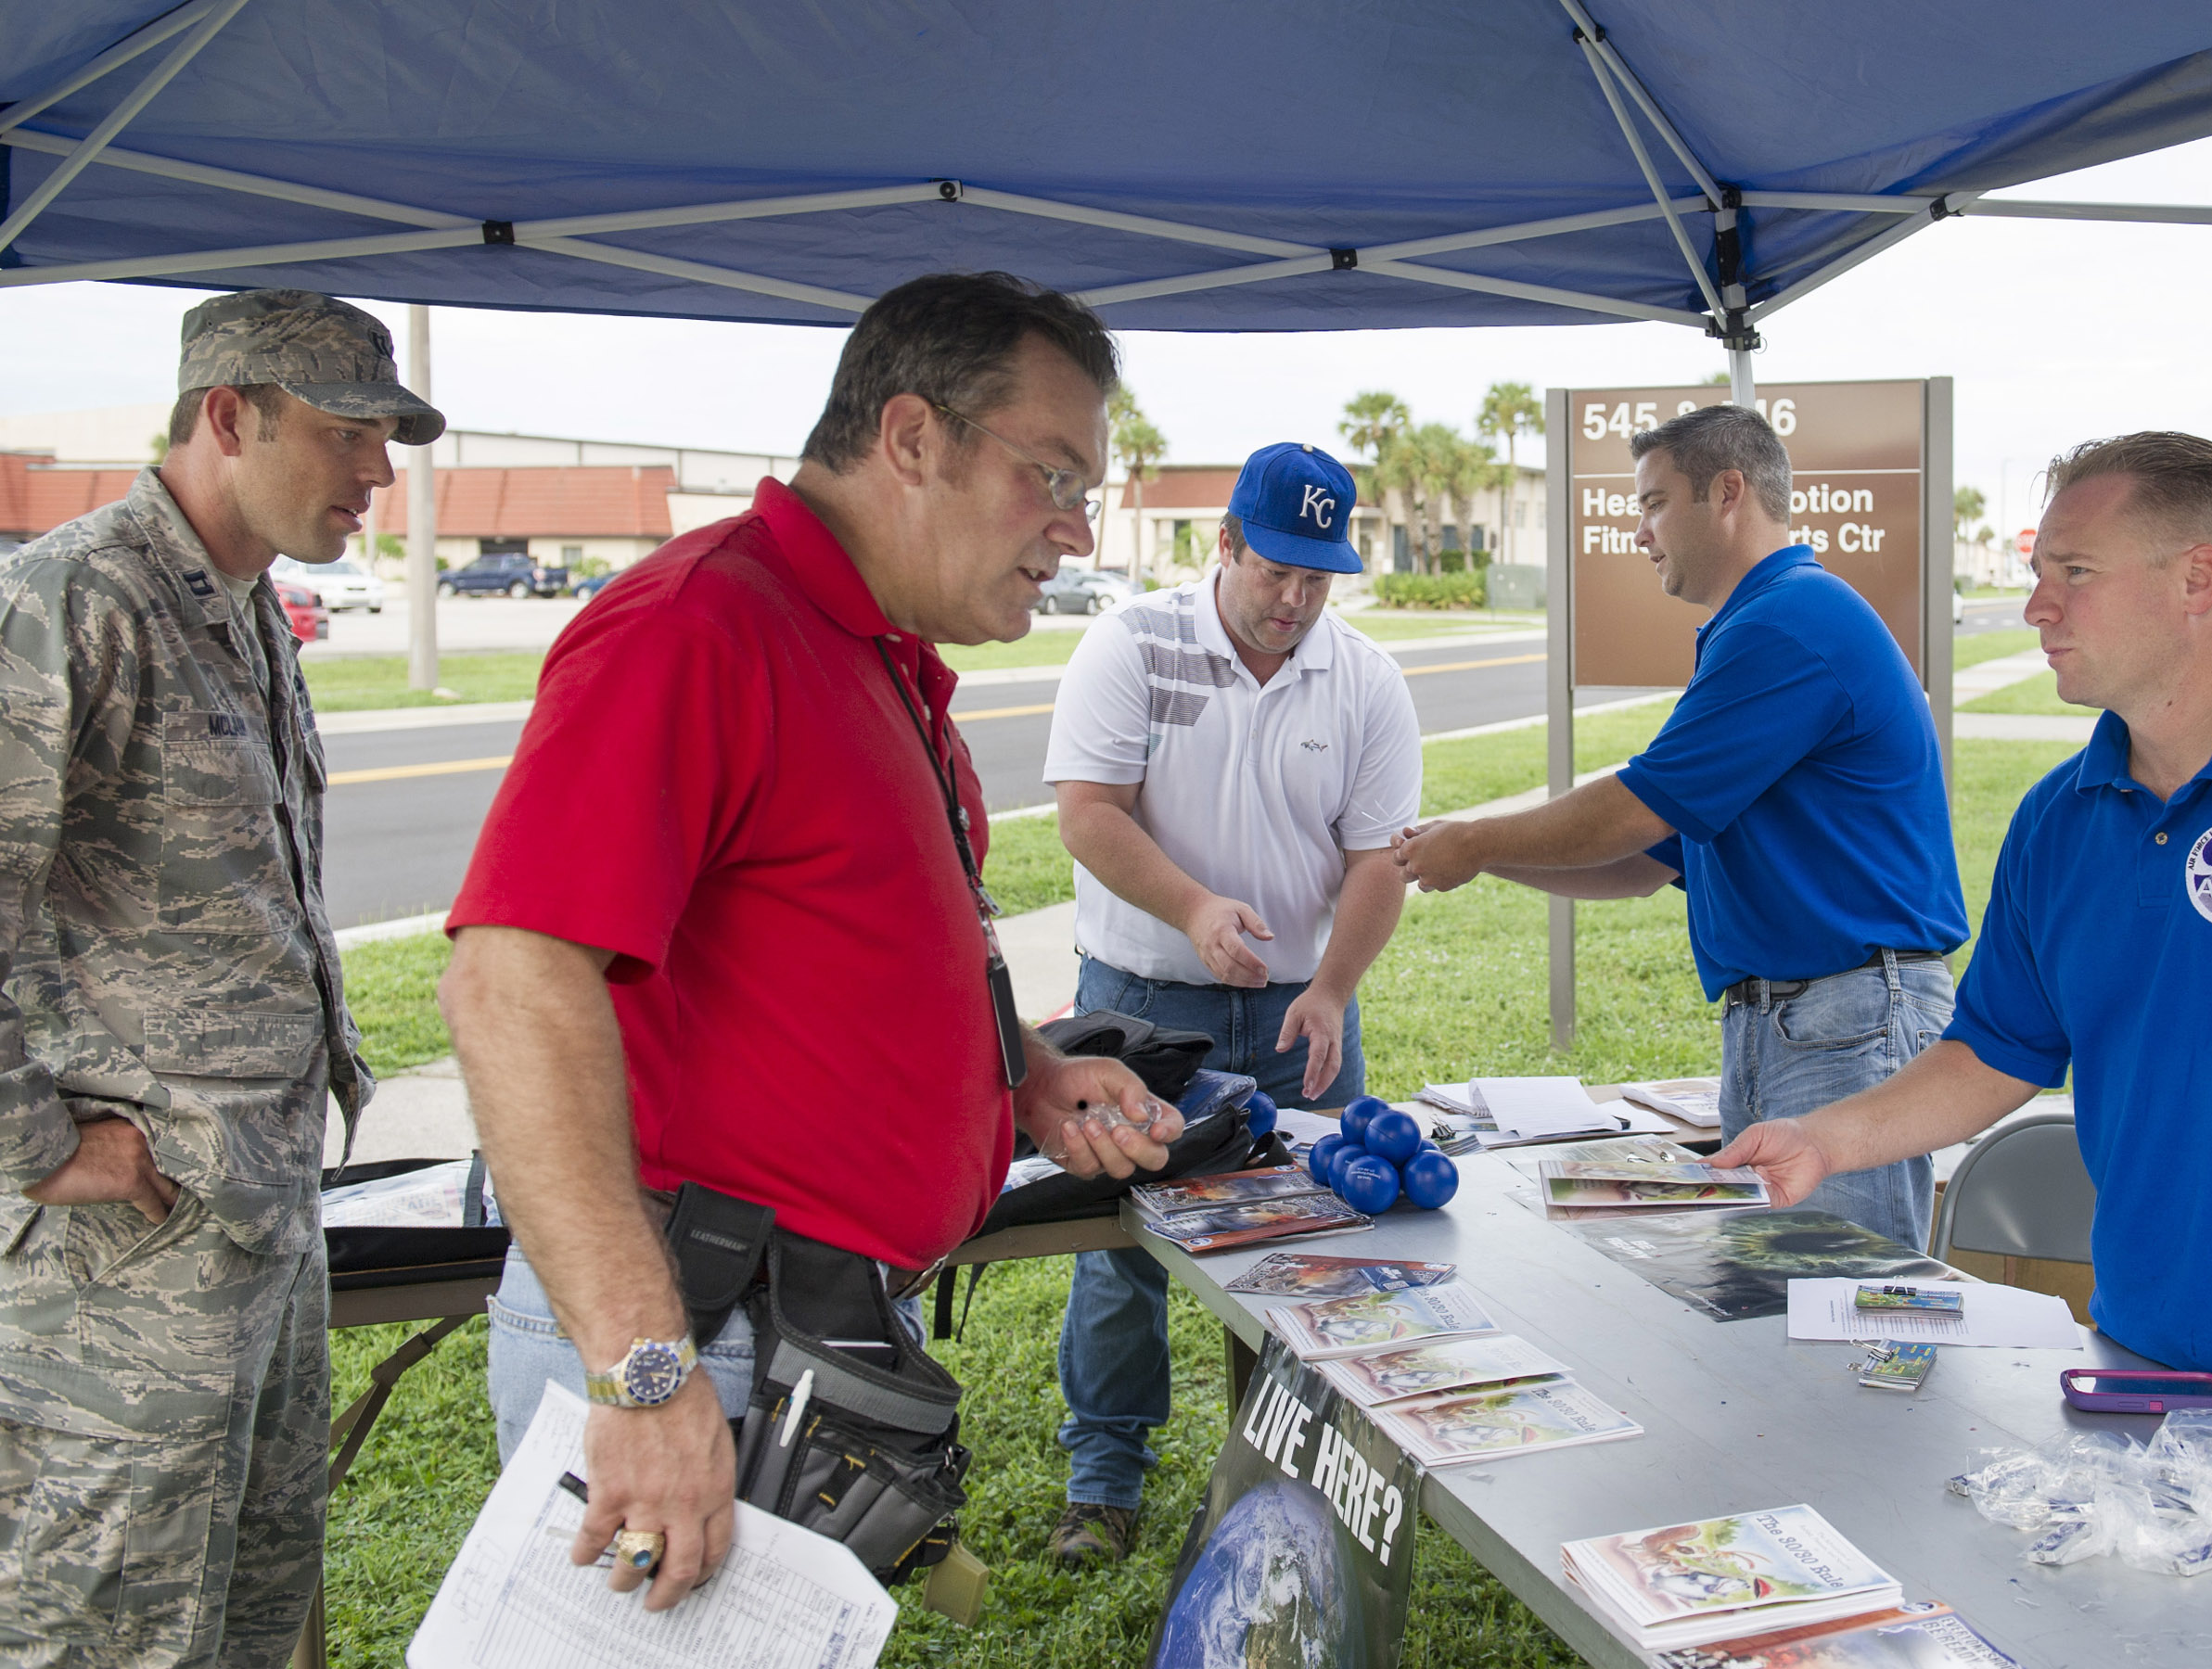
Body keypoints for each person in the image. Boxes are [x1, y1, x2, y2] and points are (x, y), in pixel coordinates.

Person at [438, 272, 1183, 1612]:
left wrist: (1024, 1073)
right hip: (688, 1336)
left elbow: (852, 951)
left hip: (790, 1331)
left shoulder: (872, 646)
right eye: (1054, 475)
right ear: (914, 438)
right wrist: (644, 1377)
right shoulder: (699, 626)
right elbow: (510, 982)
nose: (1076, 527)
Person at [1713, 432, 2212, 1483]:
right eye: (2038, 574)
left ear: (2197, 580)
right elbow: (1993, 1051)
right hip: (2145, 1378)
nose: (2038, 608)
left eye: (2073, 573)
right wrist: (1823, 1138)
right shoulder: (2060, 816)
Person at [0, 288, 422, 1663]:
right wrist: (36, 1146)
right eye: (348, 431)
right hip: (124, 1259)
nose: (379, 470)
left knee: (248, 1606)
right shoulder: (78, 595)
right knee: (110, 1630)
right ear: (229, 418)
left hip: (250, 1215)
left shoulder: (242, 607)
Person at [1394, 404, 1964, 1250]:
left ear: (1727, 493)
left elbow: (1636, 807)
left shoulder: (1788, 621)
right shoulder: (1764, 620)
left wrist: (1475, 840)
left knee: (1839, 1295)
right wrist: (1477, 860)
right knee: (1775, 1295)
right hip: (1792, 1021)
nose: (1639, 532)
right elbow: (1645, 860)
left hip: (1845, 1017)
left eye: (1655, 504)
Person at [1041, 441, 1422, 1564]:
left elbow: (1377, 859)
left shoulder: (1366, 680)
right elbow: (1089, 812)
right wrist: (1196, 906)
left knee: (1316, 1237)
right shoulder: (1131, 642)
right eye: (1274, 571)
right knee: (1121, 1244)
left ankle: (1299, 1475)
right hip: (1140, 1004)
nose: (1293, 600)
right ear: (1225, 545)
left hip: (1301, 1009)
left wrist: (1336, 987)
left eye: (1317, 579)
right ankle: (1104, 1481)